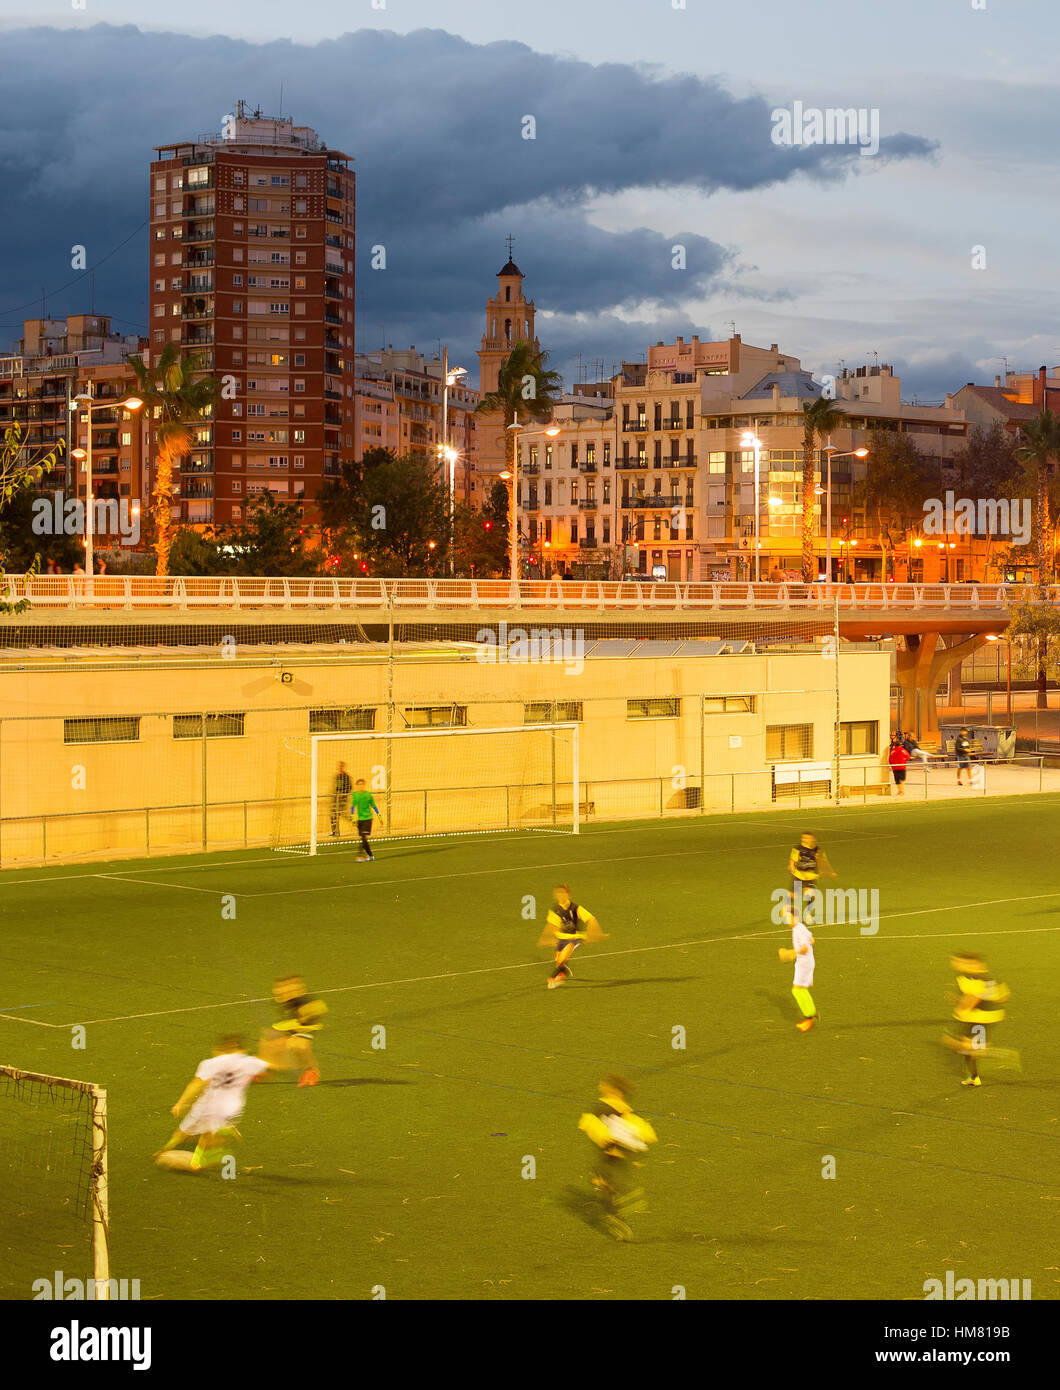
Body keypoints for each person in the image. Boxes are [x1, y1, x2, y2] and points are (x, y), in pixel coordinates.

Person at [154, 1034, 268, 1172]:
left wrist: (180, 1103)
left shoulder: (212, 1063)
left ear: (224, 1048)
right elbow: (266, 1068)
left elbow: (196, 1084)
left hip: (209, 1105)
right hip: (232, 1106)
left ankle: (170, 1150)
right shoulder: (248, 1062)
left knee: (185, 1131)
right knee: (206, 1133)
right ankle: (204, 1152)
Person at [577, 1076, 657, 1241]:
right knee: (604, 1178)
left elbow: (589, 1123)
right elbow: (645, 1131)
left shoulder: (600, 1107)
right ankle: (620, 1201)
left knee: (602, 1180)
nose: (601, 1085)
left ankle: (615, 1213)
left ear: (614, 1090)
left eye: (605, 1084)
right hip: (623, 1152)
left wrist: (606, 1140)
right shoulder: (627, 1110)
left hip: (610, 1150)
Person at [943, 951, 1011, 1087]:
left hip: (977, 1017)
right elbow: (1004, 996)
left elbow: (973, 997)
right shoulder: (990, 977)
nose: (955, 964)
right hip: (993, 1015)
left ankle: (996, 1054)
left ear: (970, 963)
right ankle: (974, 1077)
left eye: (958, 961)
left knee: (954, 1043)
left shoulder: (967, 977)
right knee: (967, 1046)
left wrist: (961, 1009)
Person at [258, 975, 328, 1086]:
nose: (278, 992)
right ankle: (263, 1068)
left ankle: (312, 1071)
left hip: (306, 1023)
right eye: (278, 989)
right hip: (293, 1021)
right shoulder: (284, 1000)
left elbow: (314, 1014)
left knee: (297, 1045)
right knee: (269, 1039)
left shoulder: (308, 1004)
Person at [538, 883, 607, 989]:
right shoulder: (555, 910)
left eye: (563, 893)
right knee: (558, 961)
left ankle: (552, 979)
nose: (560, 896)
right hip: (560, 937)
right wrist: (546, 938)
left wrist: (595, 933)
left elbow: (591, 919)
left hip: (574, 938)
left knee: (561, 960)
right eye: (558, 894)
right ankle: (563, 970)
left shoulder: (575, 908)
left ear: (568, 894)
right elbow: (551, 925)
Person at [778, 907, 819, 1032]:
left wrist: (790, 952)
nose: (787, 920)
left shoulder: (798, 930)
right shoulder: (800, 927)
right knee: (800, 989)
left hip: (804, 964)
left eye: (788, 917)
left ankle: (810, 1017)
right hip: (806, 962)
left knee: (797, 990)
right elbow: (812, 940)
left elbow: (806, 947)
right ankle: (811, 1015)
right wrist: (795, 955)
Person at [787, 832, 835, 921]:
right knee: (793, 895)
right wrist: (792, 866)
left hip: (810, 875)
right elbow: (793, 858)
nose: (805, 840)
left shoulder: (817, 850)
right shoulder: (798, 848)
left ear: (813, 839)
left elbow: (820, 860)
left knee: (810, 894)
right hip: (798, 874)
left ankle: (808, 914)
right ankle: (789, 913)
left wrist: (827, 871)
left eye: (807, 838)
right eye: (803, 838)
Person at [350, 778, 379, 861]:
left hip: (368, 818)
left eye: (362, 785)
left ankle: (359, 855)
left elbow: (374, 806)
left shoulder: (368, 794)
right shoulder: (355, 795)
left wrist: (379, 816)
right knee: (364, 838)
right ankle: (370, 856)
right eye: (359, 785)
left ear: (364, 785)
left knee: (363, 837)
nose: (360, 786)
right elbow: (352, 807)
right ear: (357, 786)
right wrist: (352, 818)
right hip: (360, 820)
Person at [330, 761, 353, 839]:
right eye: (338, 766)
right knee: (333, 814)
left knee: (342, 814)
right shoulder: (337, 776)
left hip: (342, 799)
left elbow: (349, 788)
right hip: (335, 799)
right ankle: (335, 832)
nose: (339, 767)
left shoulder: (346, 777)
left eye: (341, 766)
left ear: (343, 767)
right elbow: (336, 788)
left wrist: (343, 795)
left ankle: (357, 824)